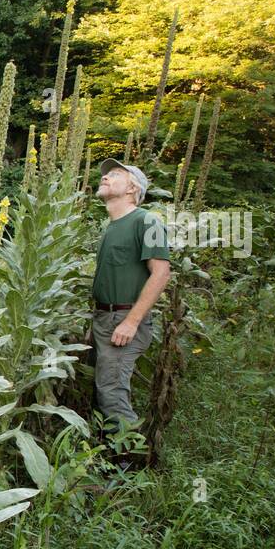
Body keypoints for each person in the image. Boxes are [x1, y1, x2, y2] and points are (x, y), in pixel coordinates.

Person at [90, 159, 171, 456]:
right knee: (103, 388)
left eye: (115, 175)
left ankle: (129, 464)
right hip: (104, 317)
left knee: (112, 392)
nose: (106, 178)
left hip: (123, 320)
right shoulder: (112, 226)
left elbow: (161, 273)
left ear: (133, 188)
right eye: (106, 175)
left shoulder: (146, 220)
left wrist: (131, 322)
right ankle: (110, 454)